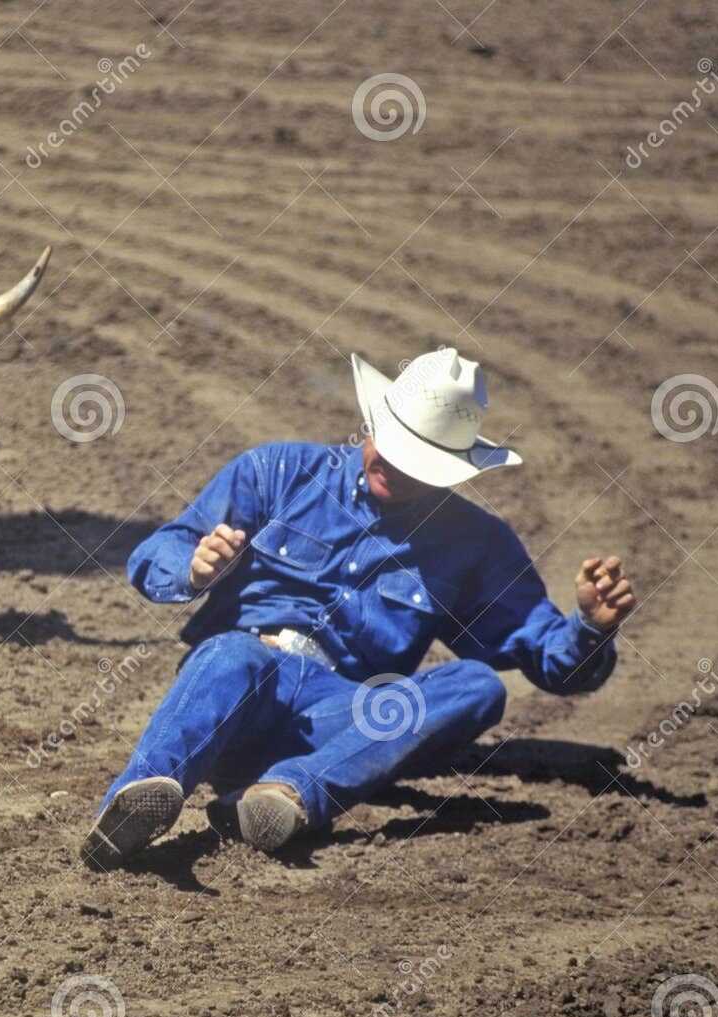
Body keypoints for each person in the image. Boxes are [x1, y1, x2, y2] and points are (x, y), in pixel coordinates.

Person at [81, 347, 636, 870]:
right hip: (242, 683)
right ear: (370, 425)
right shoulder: (276, 471)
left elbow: (550, 658)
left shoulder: (477, 544)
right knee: (229, 652)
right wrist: (195, 568)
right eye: (391, 450)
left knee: (477, 686)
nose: (396, 470)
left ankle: (286, 794)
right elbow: (155, 554)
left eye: (419, 464)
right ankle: (136, 805)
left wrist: (589, 628)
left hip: (342, 716)